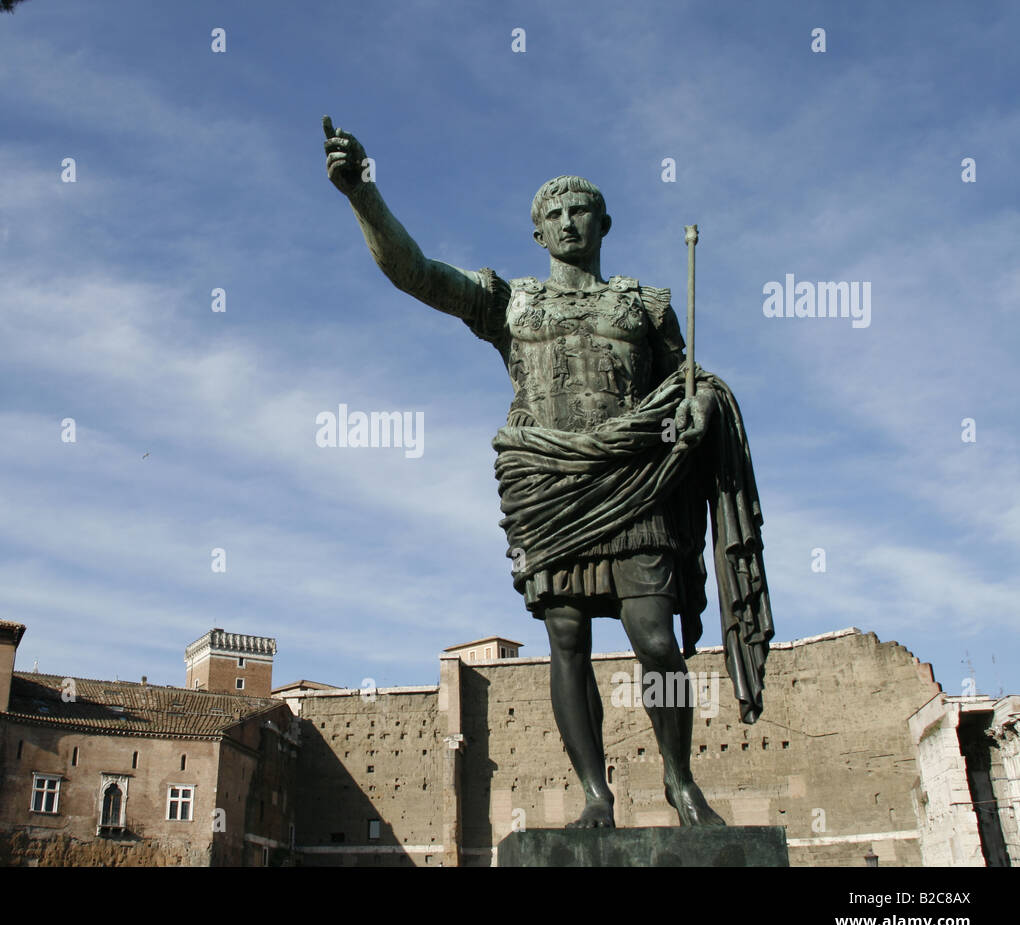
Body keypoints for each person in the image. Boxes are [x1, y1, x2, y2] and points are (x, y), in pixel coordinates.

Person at [323, 116, 772, 828]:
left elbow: (688, 387)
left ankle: (681, 784)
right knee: (567, 639)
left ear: (604, 223)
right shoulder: (512, 303)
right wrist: (363, 195)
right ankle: (597, 797)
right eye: (553, 215)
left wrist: (699, 410)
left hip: (634, 486)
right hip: (550, 491)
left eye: (579, 212)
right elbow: (415, 273)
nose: (567, 223)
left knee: (654, 639)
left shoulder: (645, 304)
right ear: (538, 234)